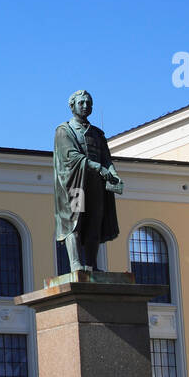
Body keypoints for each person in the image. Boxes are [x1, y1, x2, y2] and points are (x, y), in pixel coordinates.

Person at [53, 90, 122, 272]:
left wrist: (113, 173)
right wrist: (99, 167)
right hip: (76, 185)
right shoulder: (64, 130)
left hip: (96, 187)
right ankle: (76, 264)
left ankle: (92, 265)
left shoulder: (98, 134)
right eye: (81, 103)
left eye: (88, 103)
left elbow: (106, 158)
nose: (85, 106)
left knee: (94, 223)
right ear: (72, 106)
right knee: (75, 221)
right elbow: (72, 156)